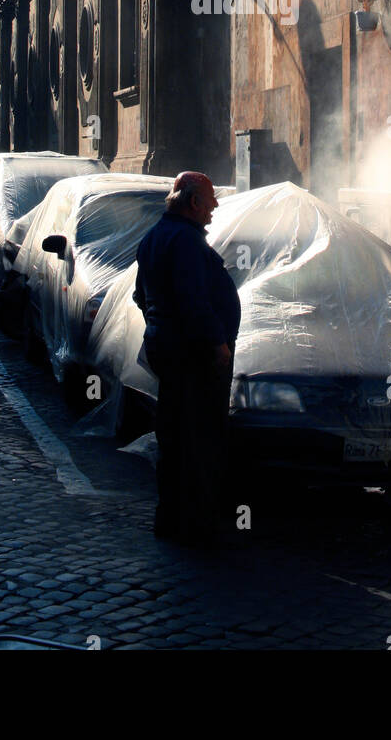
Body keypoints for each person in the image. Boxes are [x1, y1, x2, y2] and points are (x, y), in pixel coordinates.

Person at [134, 171, 241, 545]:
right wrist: (217, 344)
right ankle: (196, 524)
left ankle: (172, 518)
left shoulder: (154, 238)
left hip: (169, 350)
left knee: (175, 436)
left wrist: (158, 325)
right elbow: (194, 302)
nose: (214, 207)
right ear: (193, 202)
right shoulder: (186, 243)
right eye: (210, 200)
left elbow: (140, 296)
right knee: (198, 440)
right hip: (193, 358)